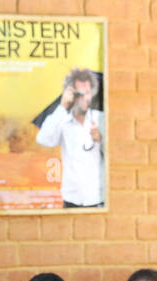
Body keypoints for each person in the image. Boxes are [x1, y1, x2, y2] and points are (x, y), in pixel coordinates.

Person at [35, 67, 104, 209]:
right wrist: (62, 106)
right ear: (71, 94)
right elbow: (43, 139)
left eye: (88, 93)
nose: (85, 98)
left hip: (98, 199)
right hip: (71, 199)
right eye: (80, 93)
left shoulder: (101, 118)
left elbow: (118, 155)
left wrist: (100, 140)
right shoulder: (61, 121)